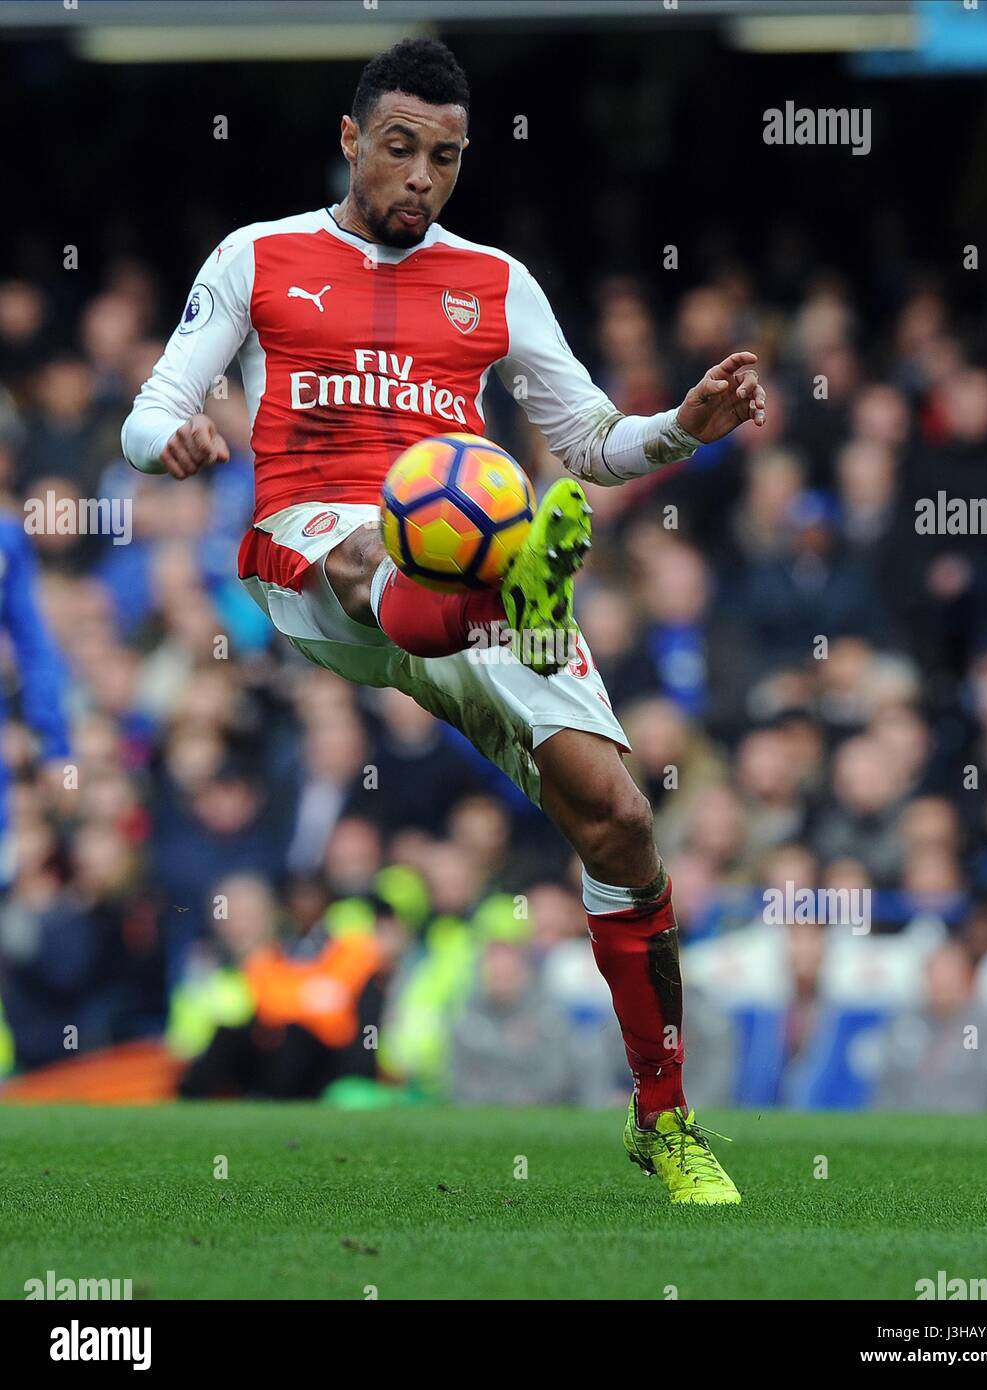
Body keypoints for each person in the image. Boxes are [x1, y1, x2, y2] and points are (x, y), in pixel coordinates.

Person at [122, 38, 766, 1204]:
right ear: (350, 139)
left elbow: (586, 443)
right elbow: (151, 406)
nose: (421, 177)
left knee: (621, 821)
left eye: (447, 158)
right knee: (376, 551)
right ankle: (500, 588)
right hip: (313, 543)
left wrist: (681, 425)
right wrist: (170, 437)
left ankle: (663, 1118)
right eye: (400, 148)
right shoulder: (259, 257)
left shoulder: (494, 280)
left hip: (473, 555)